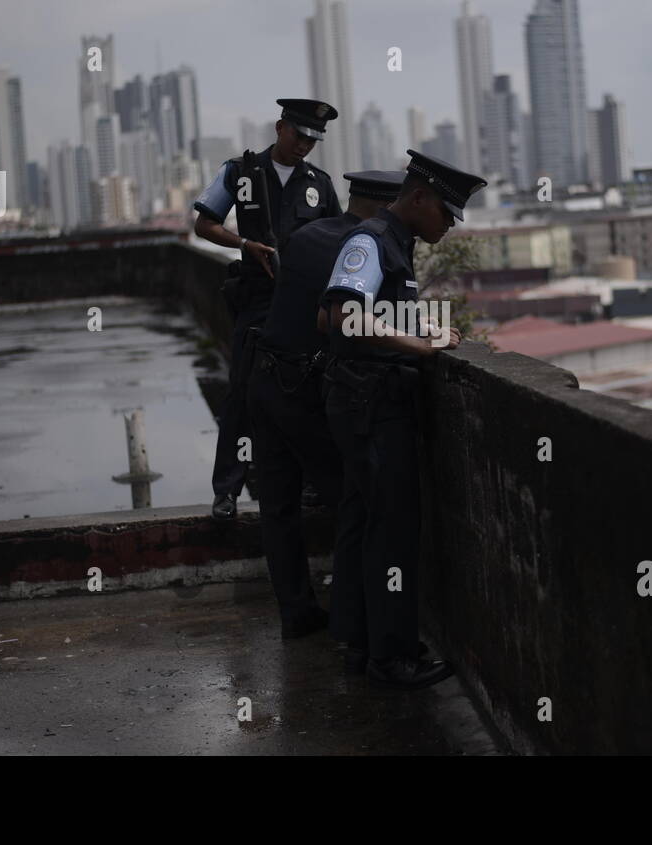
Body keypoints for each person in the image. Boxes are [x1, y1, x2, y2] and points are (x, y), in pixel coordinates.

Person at [318, 150, 486, 689]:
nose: (449, 223)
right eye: (445, 211)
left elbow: (367, 311)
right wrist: (420, 344)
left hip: (370, 402)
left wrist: (430, 328)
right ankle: (391, 657)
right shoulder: (369, 241)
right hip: (369, 406)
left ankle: (360, 643)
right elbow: (342, 316)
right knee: (390, 532)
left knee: (366, 524)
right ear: (418, 198)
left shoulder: (395, 243)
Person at [247, 171, 404, 639]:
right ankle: (354, 622)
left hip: (265, 379)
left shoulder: (305, 235)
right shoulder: (362, 247)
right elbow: (351, 324)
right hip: (304, 390)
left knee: (278, 507)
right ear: (384, 208)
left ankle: (297, 613)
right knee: (352, 503)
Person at [191, 99, 341, 521]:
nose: (305, 146)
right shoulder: (240, 172)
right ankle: (227, 492)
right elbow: (203, 224)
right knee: (242, 393)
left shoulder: (320, 184)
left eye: (313, 140)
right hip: (257, 299)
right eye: (299, 136)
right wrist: (244, 245)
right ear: (280, 128)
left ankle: (312, 483)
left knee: (309, 392)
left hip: (304, 303)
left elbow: (338, 237)